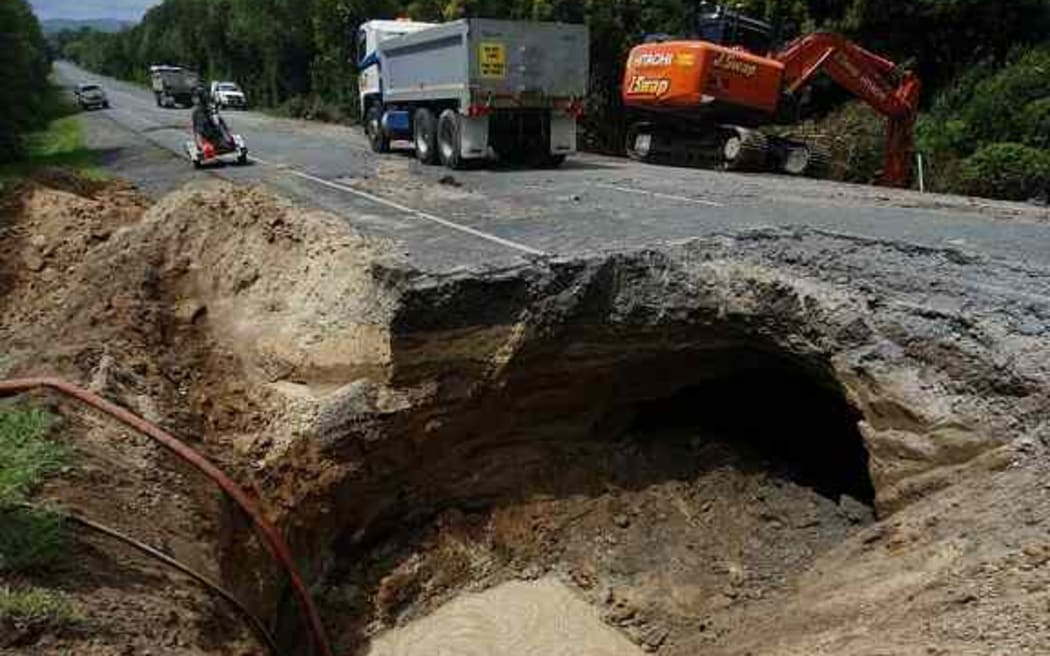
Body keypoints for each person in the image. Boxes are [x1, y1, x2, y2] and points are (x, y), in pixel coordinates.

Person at [191, 87, 233, 151]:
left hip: (212, 138)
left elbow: (220, 123)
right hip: (209, 138)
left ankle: (224, 142)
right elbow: (198, 130)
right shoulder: (200, 111)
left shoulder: (205, 110)